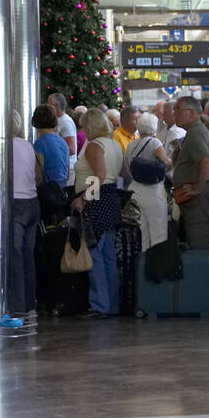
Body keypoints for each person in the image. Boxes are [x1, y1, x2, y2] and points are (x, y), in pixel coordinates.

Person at [71, 108, 124, 318]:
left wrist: (83, 198)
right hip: (111, 199)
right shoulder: (115, 144)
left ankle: (100, 305)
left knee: (95, 255)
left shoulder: (95, 146)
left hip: (96, 201)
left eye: (84, 125)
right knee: (109, 255)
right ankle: (112, 304)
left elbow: (99, 176)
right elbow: (121, 172)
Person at [9, 110, 42, 321]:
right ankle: (30, 305)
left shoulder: (3, 146)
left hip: (16, 204)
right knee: (27, 256)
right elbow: (37, 175)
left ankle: (18, 307)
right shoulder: (27, 145)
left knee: (15, 256)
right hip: (32, 203)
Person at [172, 97, 209, 248]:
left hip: (198, 199)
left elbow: (206, 160)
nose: (175, 113)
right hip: (200, 197)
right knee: (198, 243)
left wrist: (198, 188)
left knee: (200, 246)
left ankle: (202, 273)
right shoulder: (198, 131)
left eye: (178, 109)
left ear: (191, 112)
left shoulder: (195, 133)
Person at [122, 112, 171, 250]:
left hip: (135, 191)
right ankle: (156, 268)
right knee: (158, 234)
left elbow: (127, 166)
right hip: (153, 192)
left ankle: (143, 266)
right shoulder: (154, 142)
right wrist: (175, 156)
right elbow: (167, 164)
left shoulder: (132, 145)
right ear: (154, 127)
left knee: (143, 234)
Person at [31, 104, 70, 188]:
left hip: (48, 191)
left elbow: (38, 175)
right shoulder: (62, 141)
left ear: (35, 120)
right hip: (62, 189)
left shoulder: (40, 144)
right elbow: (68, 173)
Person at [47, 92, 78, 186]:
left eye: (49, 104)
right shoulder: (60, 120)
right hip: (62, 167)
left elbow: (72, 149)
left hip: (67, 168)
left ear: (55, 106)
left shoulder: (65, 122)